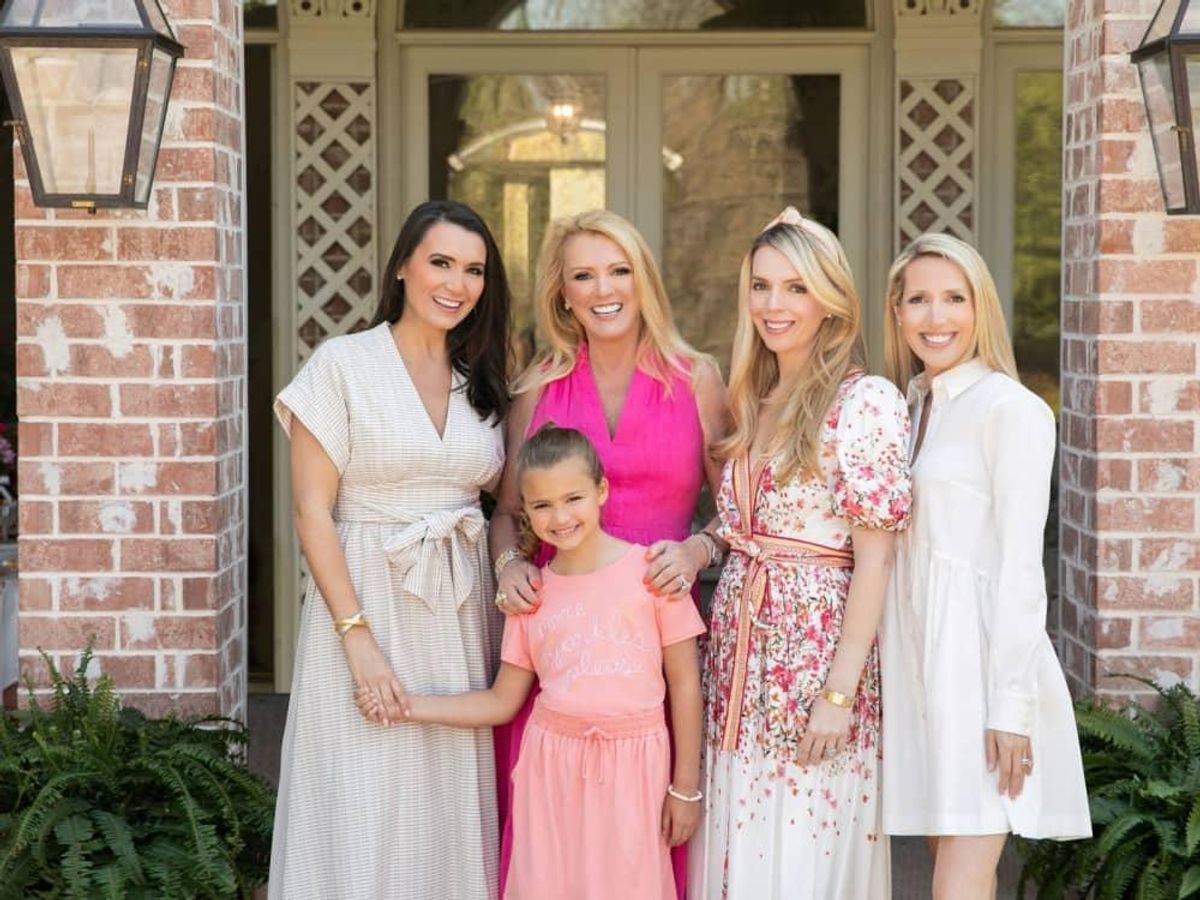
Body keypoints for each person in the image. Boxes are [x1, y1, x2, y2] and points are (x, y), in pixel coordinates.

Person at [269, 200, 510, 899]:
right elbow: (312, 511)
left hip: (460, 617)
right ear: (403, 265)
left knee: (445, 802)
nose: (456, 283)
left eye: (473, 270)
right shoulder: (342, 364)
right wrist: (358, 638)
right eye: (440, 262)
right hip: (366, 600)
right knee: (363, 791)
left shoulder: (483, 380)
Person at [489, 209, 727, 896]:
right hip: (560, 658)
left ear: (644, 279)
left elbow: (737, 512)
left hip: (657, 656)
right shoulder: (539, 386)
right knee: (554, 860)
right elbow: (506, 514)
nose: (603, 289)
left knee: (647, 853)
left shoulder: (697, 379)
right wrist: (511, 567)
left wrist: (697, 546)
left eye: (619, 270)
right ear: (562, 293)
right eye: (583, 275)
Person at [689, 209, 911, 899]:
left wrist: (839, 695)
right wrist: (698, 546)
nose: (774, 305)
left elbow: (875, 560)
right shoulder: (755, 396)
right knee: (742, 845)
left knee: (801, 852)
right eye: (761, 286)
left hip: (813, 664)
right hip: (736, 663)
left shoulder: (864, 400)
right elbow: (745, 526)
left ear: (831, 300)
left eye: (795, 288)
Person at [401, 425, 706, 900]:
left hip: (635, 772)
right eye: (542, 505)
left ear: (601, 491)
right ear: (525, 510)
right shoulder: (531, 596)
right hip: (550, 773)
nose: (559, 516)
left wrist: (685, 788)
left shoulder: (652, 574)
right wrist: (411, 706)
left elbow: (686, 684)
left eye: (573, 498)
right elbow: (503, 702)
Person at [879, 233, 1090, 899]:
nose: (935, 318)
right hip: (917, 665)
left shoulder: (1013, 410)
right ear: (897, 311)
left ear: (981, 307)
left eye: (953, 298)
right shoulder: (907, 407)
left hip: (979, 670)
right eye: (919, 300)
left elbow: (1023, 566)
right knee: (949, 860)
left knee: (960, 877)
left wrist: (1011, 706)